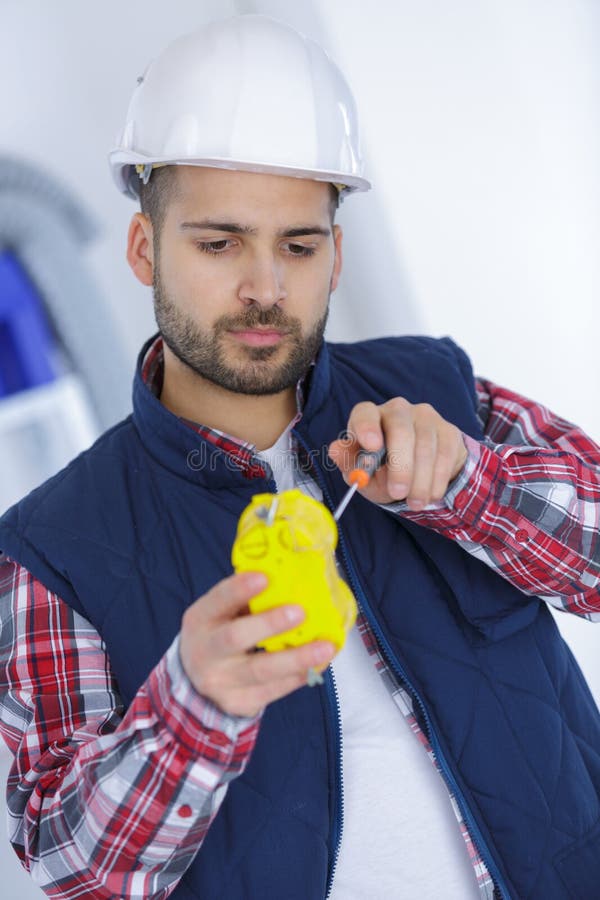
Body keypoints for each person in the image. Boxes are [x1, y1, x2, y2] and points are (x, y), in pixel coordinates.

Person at [1, 14, 599, 900]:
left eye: (299, 245)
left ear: (335, 255)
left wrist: (474, 487)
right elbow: (71, 867)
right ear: (144, 251)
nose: (265, 288)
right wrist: (195, 703)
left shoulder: (439, 389)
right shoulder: (49, 551)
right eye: (218, 242)